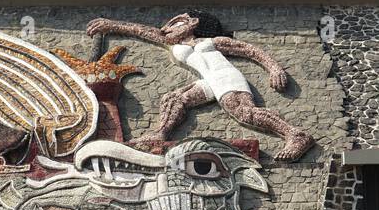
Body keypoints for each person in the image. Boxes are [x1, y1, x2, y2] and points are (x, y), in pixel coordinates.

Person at [85, 12, 313, 161]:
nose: (167, 28)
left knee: (245, 112)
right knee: (174, 99)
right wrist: (113, 24)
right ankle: (159, 135)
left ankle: (295, 134)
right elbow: (146, 32)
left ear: (193, 23)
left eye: (175, 23)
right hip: (208, 81)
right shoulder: (172, 44)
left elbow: (249, 51)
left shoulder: (212, 42)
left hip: (225, 77)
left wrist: (274, 68)